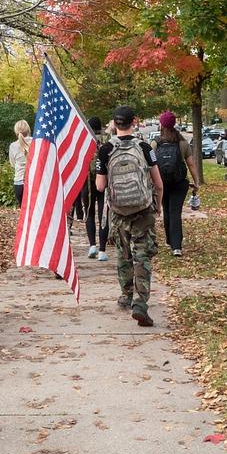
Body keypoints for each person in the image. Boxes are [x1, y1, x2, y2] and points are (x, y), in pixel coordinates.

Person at [95, 105, 163, 327]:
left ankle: (126, 294)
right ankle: (140, 303)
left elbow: (100, 185)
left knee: (123, 254)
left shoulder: (104, 150)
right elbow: (158, 183)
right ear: (134, 121)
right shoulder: (145, 147)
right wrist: (158, 206)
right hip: (143, 211)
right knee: (142, 256)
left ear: (114, 124)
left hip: (119, 212)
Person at [152, 111, 201, 257]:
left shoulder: (155, 143)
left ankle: (169, 241)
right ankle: (176, 246)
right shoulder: (183, 143)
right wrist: (196, 181)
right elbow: (191, 164)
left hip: (162, 182)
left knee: (166, 210)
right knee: (175, 212)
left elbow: (150, 164)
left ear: (161, 124)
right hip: (179, 183)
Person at [83, 117, 109, 261]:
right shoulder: (107, 141)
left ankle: (92, 245)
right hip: (104, 181)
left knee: (89, 213)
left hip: (87, 182)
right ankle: (102, 250)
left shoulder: (84, 140)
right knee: (103, 214)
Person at [8, 120, 31, 205]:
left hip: (19, 184)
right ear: (28, 130)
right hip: (35, 183)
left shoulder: (13, 146)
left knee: (25, 215)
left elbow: (13, 164)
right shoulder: (36, 142)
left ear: (16, 131)